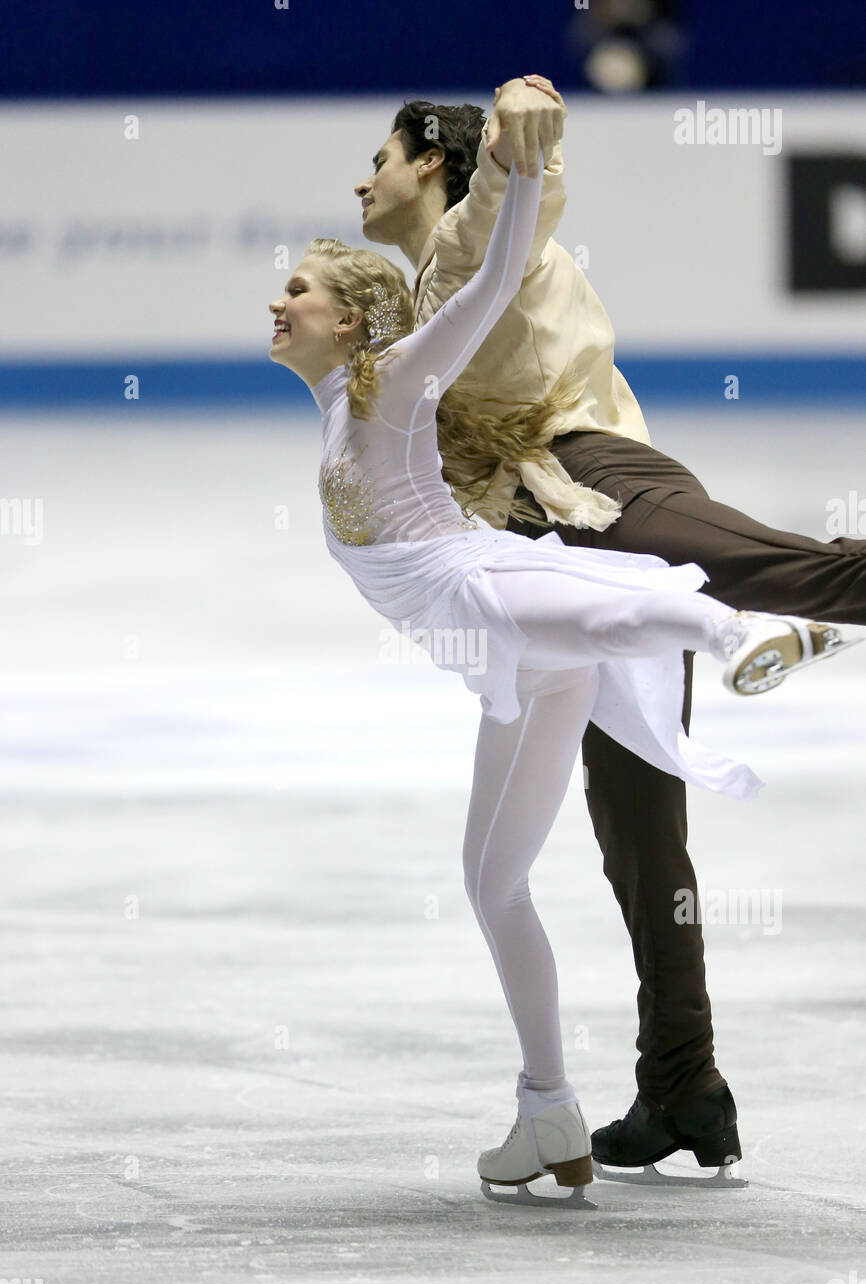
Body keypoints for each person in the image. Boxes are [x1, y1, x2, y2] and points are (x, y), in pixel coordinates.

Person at [268, 147, 863, 1204]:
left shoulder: (465, 252)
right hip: (514, 603)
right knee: (621, 839)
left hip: (585, 484)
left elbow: (500, 249)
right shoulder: (394, 320)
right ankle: (651, 1090)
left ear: (438, 168)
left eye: (383, 160)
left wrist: (519, 145)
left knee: (721, 588)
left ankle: (777, 625)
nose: (362, 181)